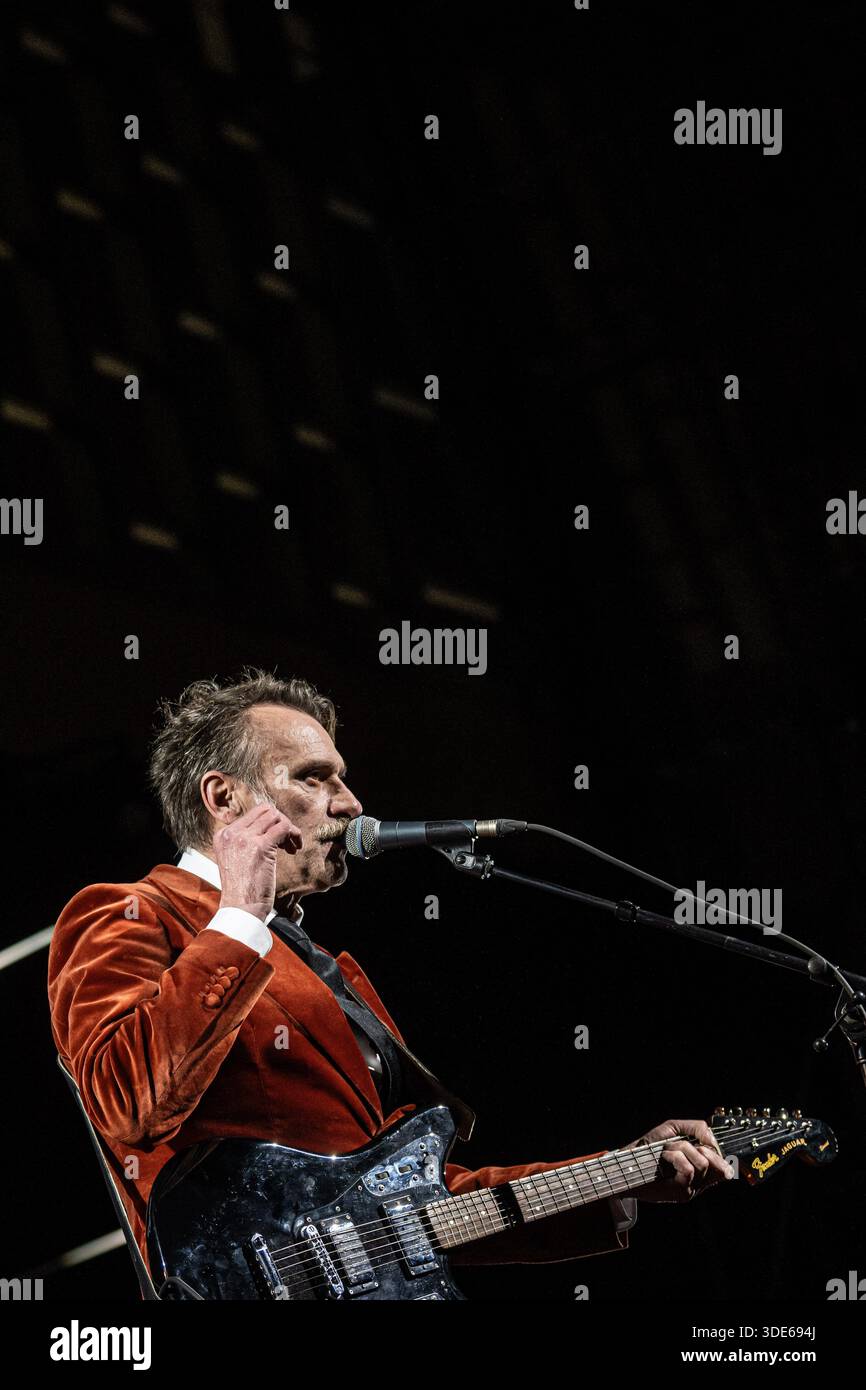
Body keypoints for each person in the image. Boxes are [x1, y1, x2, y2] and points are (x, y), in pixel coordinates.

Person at [47, 669, 731, 1294]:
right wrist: (237, 919)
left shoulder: (324, 969)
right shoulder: (131, 913)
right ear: (225, 797)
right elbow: (125, 1097)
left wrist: (620, 1174)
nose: (349, 802)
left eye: (342, 778)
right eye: (313, 778)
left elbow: (411, 1210)